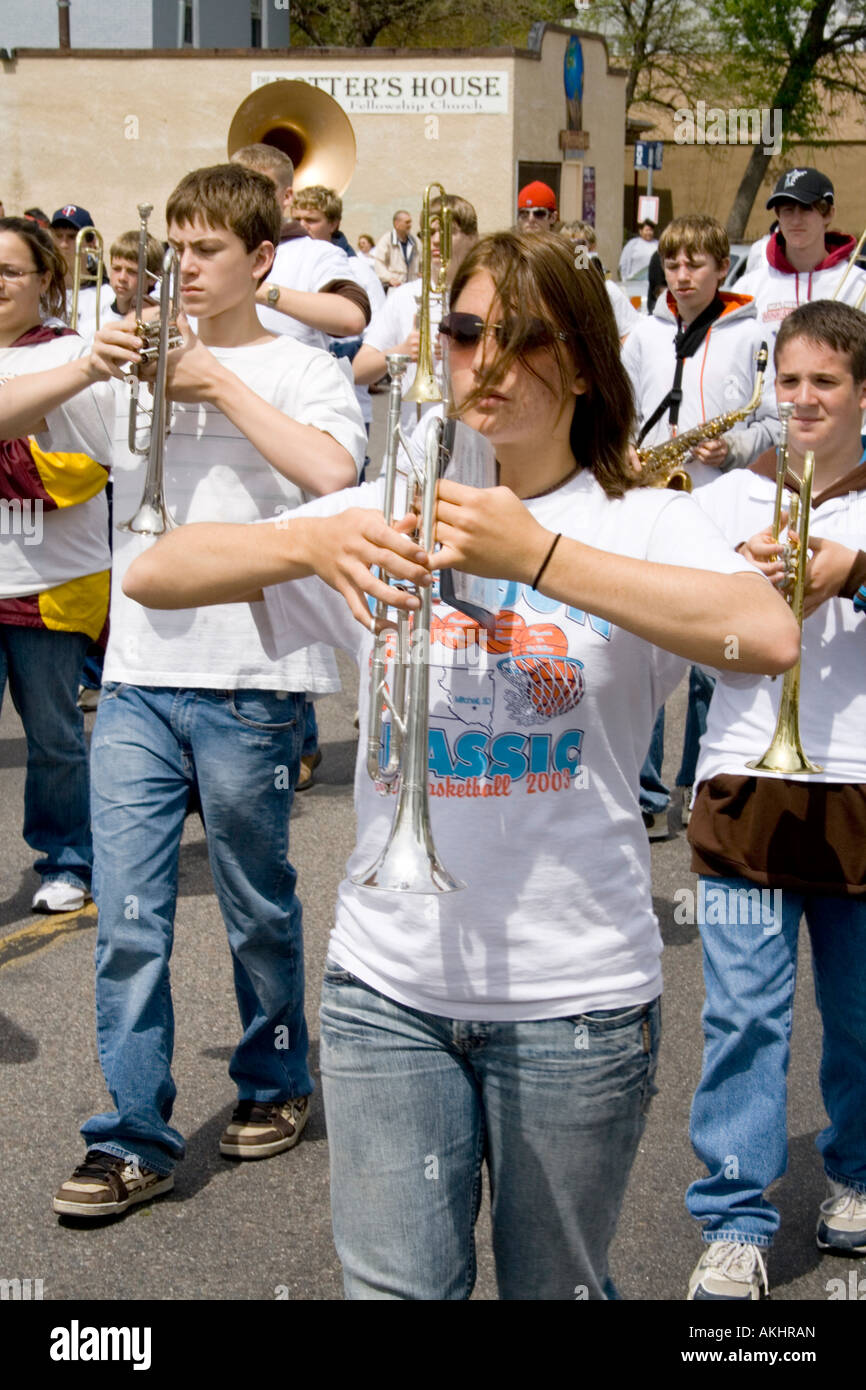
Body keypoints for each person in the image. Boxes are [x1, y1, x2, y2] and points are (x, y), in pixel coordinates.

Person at [124, 230, 798, 1299]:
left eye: (520, 337)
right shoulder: (387, 509)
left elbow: (760, 636)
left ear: (578, 362)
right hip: (385, 986)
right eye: (464, 331)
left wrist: (531, 554)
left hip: (574, 998)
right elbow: (154, 572)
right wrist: (306, 544)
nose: (484, 361)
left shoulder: (647, 519)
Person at [30, 163, 366, 1220]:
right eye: (174, 247)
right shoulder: (123, 362)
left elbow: (328, 477)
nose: (184, 267)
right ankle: (132, 1133)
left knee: (256, 905)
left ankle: (275, 1075)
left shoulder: (306, 369)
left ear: (261, 260)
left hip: (250, 682)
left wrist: (217, 383)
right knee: (129, 917)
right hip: (134, 677)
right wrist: (87, 359)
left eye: (207, 249)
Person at [684, 299, 866, 1299]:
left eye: (823, 383)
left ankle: (854, 1174)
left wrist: (851, 572)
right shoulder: (721, 501)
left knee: (859, 1018)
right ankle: (734, 1216)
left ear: (860, 394)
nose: (800, 399)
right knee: (743, 1019)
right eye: (786, 380)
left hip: (856, 786)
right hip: (744, 781)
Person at [623, 214, 779, 837]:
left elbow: (775, 420)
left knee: (716, 656)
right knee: (644, 646)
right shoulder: (642, 334)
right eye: (672, 265)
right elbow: (620, 411)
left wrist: (736, 448)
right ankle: (646, 793)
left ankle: (701, 780)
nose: (682, 277)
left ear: (721, 269)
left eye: (695, 266)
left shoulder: (748, 335)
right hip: (651, 502)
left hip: (721, 504)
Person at [0, 217, 113, 912]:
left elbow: (79, 469)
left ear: (46, 277)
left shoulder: (74, 353)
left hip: (48, 580)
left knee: (54, 738)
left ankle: (67, 858)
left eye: (10, 270)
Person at [353, 194, 478, 433]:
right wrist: (399, 352)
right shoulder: (403, 297)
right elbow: (359, 371)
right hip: (411, 448)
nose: (436, 241)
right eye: (429, 234)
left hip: (469, 443)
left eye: (448, 232)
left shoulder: (485, 295)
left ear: (472, 239)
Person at [230, 144, 370, 353]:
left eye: (261, 189)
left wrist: (257, 291)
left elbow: (352, 318)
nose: (246, 198)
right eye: (236, 187)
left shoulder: (317, 253)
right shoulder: (207, 246)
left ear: (287, 197)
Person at [738, 169, 866, 342]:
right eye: (787, 210)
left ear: (828, 214)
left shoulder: (859, 285)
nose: (796, 220)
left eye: (806, 208)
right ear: (778, 215)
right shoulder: (748, 288)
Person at [567, 220, 639, 340]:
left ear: (592, 247)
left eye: (580, 244)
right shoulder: (557, 289)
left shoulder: (607, 289)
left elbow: (629, 333)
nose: (574, 250)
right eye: (567, 244)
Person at [50, 205, 112, 328]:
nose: (63, 244)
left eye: (72, 237)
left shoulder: (106, 296)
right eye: (58, 236)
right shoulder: (41, 289)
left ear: (91, 243)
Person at [373, 210, 419, 289]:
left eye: (410, 222)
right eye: (407, 222)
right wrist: (389, 278)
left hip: (412, 286)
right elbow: (378, 263)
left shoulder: (415, 242)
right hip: (394, 287)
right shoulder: (386, 240)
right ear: (397, 224)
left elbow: (423, 262)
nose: (410, 225)